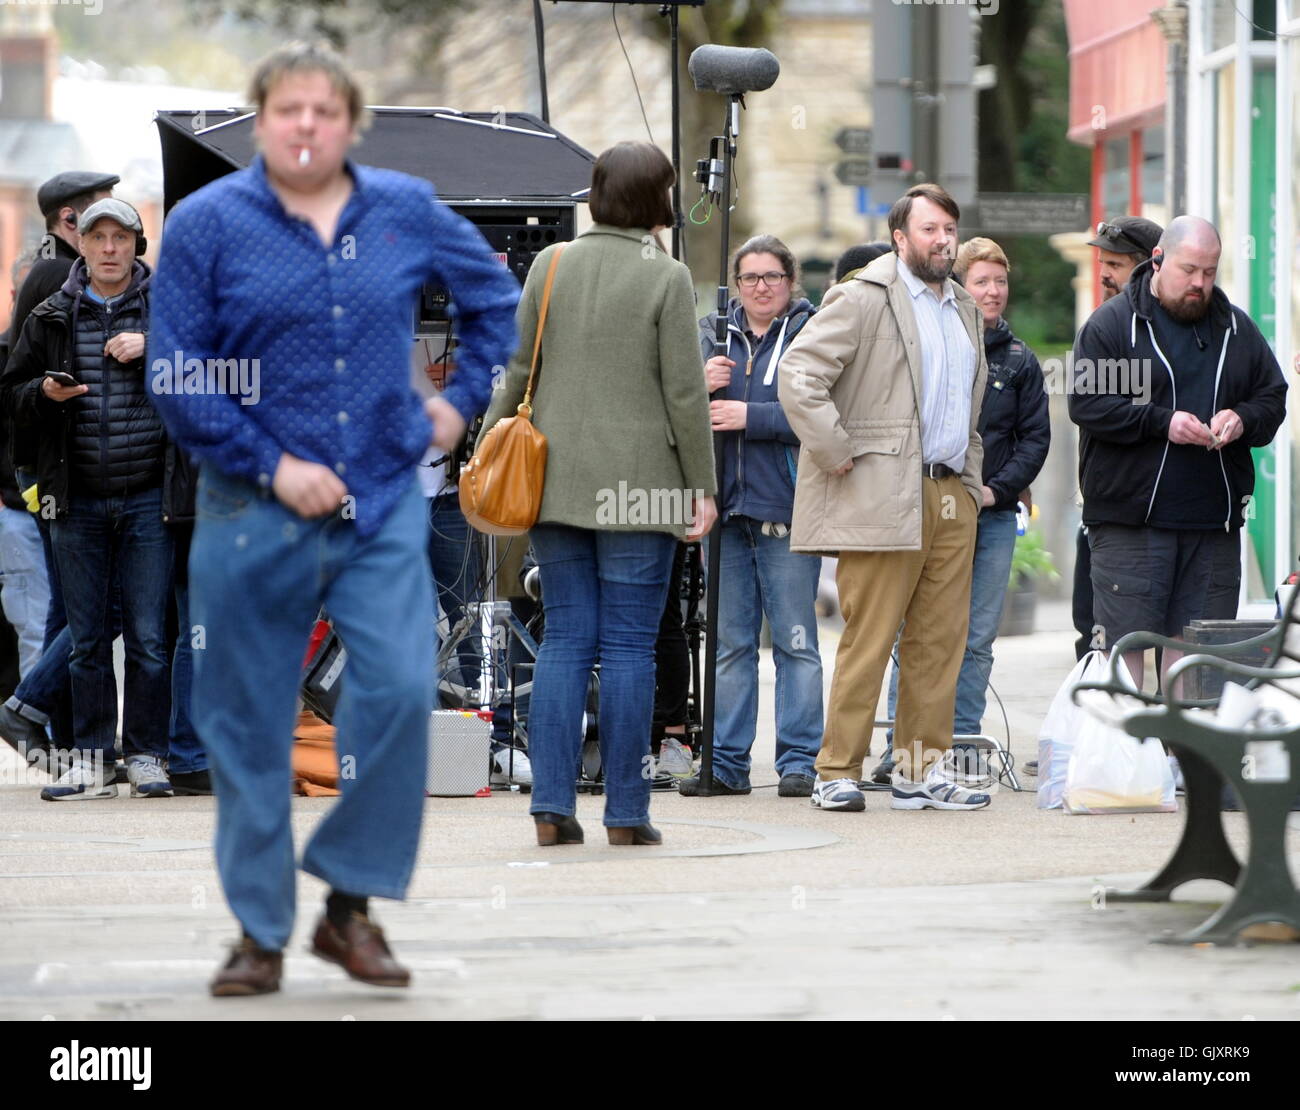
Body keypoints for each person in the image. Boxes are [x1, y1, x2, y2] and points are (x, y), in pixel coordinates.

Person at [147, 42, 520, 997]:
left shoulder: (400, 207)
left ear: (348, 122)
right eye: (286, 109)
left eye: (323, 109)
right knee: (247, 720)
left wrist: (459, 397)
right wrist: (273, 463)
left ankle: (349, 906)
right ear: (262, 120)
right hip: (248, 504)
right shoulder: (206, 223)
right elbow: (176, 371)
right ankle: (260, 932)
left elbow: (495, 300)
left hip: (383, 501)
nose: (305, 124)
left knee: (397, 692)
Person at [480, 140, 717, 848]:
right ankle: (625, 812)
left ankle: (551, 806)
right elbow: (684, 393)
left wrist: (488, 445)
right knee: (628, 651)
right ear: (656, 199)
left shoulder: (551, 265)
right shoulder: (666, 276)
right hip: (642, 492)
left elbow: (518, 368)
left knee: (563, 643)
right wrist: (701, 487)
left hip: (552, 485)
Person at [779, 182, 992, 813]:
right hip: (881, 490)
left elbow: (968, 406)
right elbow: (799, 374)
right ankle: (835, 770)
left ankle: (918, 771)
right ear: (900, 237)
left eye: (950, 229)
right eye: (930, 229)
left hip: (951, 492)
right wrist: (835, 449)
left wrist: (974, 484)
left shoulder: (964, 309)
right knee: (869, 638)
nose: (943, 240)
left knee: (939, 642)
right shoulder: (862, 296)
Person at [1, 199, 174, 802]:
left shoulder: (171, 314)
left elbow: (208, 374)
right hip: (75, 499)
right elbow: (10, 392)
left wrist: (155, 347)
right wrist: (42, 392)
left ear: (136, 244)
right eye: (97, 236)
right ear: (82, 245)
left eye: (119, 238)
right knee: (86, 640)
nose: (107, 248)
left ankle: (148, 755)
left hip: (151, 496)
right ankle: (93, 760)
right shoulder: (51, 315)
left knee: (151, 638)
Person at [1068, 215, 1286, 687]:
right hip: (1131, 523)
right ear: (1159, 259)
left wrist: (1242, 418)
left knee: (1195, 653)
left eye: (1209, 272)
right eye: (1189, 270)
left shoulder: (1234, 330)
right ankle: (1127, 756)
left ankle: (1179, 759)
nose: (1199, 283)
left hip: (1212, 523)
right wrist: (1162, 422)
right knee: (1126, 648)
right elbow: (1089, 404)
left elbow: (1272, 397)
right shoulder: (1114, 326)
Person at [879, 237, 1049, 782]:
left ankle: (964, 745)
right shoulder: (936, 342)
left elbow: (1035, 439)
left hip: (992, 515)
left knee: (975, 637)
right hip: (927, 504)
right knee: (915, 631)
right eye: (982, 281)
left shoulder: (1020, 360)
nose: (993, 292)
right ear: (960, 286)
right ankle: (899, 750)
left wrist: (996, 491)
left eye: (1000, 281)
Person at [677, 234, 822, 798]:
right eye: (750, 278)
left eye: (772, 277)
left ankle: (799, 761)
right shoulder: (713, 334)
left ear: (790, 281)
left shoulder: (810, 334)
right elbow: (676, 412)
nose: (761, 287)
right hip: (725, 511)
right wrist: (697, 387)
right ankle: (727, 763)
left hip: (786, 509)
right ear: (736, 285)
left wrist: (751, 416)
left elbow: (827, 413)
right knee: (730, 643)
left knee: (795, 641)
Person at [1069, 216, 1165, 664]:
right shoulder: (1103, 327)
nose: (1104, 273)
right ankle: (1108, 733)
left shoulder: (1178, 332)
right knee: (1096, 636)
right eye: (1101, 262)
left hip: (1161, 514)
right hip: (1108, 510)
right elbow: (1086, 407)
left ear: (1148, 266)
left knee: (1161, 641)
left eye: (1116, 264)